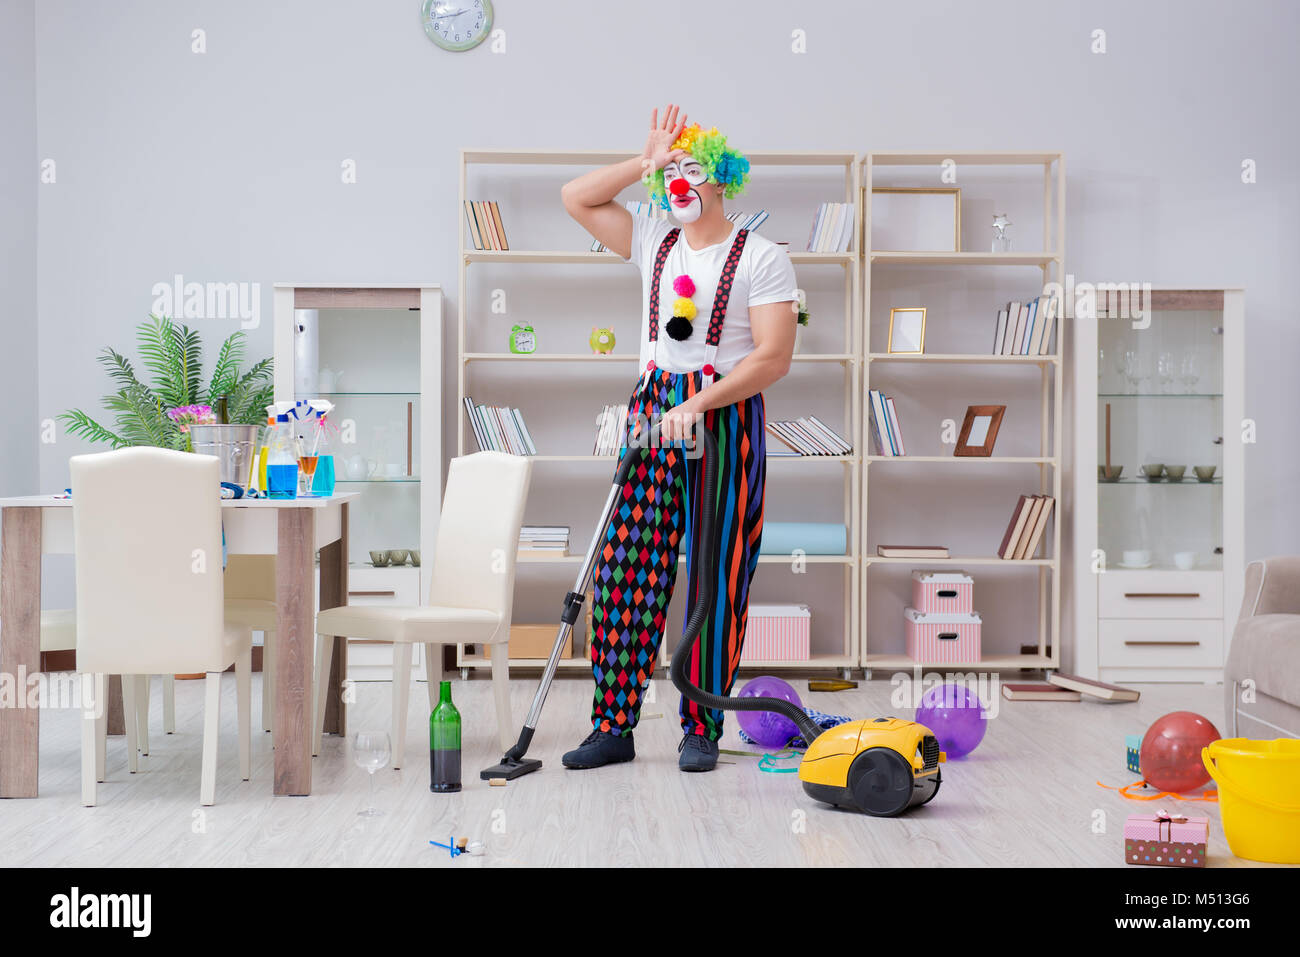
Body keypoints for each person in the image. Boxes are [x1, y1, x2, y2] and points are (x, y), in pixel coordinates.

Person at [559, 104, 798, 772]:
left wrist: (701, 402)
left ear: (723, 180)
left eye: (693, 169)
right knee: (627, 564)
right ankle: (614, 724)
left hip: (724, 412)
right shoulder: (651, 236)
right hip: (651, 407)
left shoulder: (764, 257)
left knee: (717, 576)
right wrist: (645, 162)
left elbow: (774, 358)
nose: (679, 183)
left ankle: (701, 728)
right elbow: (575, 196)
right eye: (672, 174)